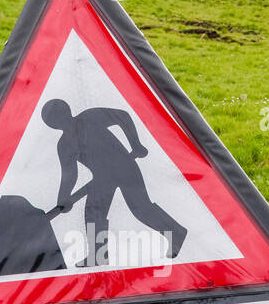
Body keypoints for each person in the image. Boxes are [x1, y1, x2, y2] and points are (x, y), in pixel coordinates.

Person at [41, 99, 187, 267]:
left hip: (125, 167)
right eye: (56, 119)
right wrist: (63, 197)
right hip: (102, 177)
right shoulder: (65, 145)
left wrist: (135, 144)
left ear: (67, 110)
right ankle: (98, 255)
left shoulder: (90, 117)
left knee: (141, 208)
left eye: (61, 115)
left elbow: (122, 116)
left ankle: (176, 232)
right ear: (52, 125)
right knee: (93, 212)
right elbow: (69, 174)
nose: (61, 120)